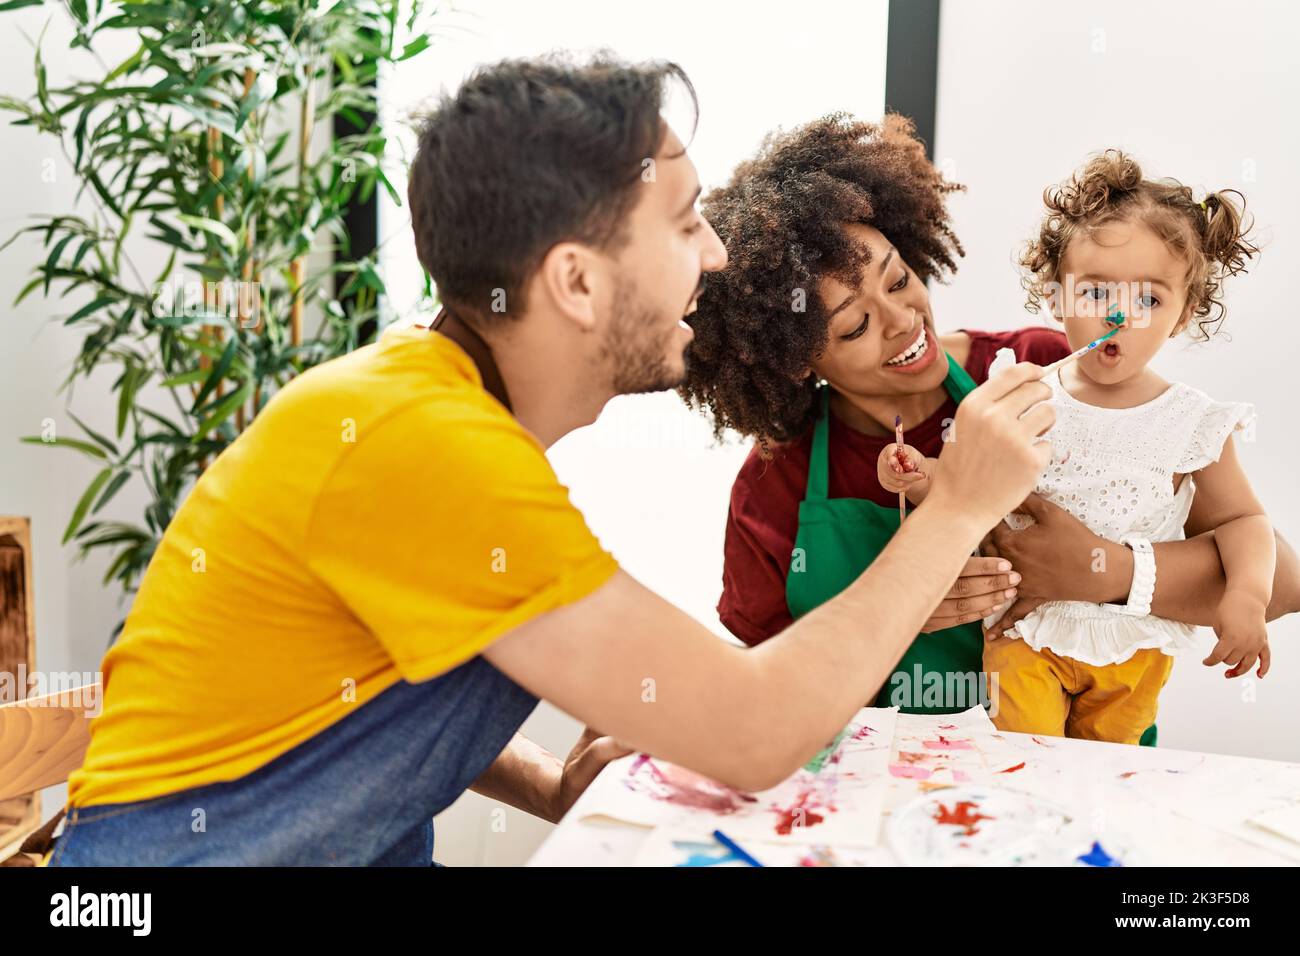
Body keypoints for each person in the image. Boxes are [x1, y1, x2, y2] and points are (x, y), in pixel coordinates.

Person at [49, 56, 1052, 866]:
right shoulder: (420, 444)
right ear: (575, 280)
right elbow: (754, 728)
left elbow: (375, 676)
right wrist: (956, 506)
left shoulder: (441, 409)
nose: (712, 256)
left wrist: (550, 787)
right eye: (685, 219)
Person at [678, 114, 1299, 731]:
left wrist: (1101, 569)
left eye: (899, 279)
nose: (900, 320)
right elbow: (764, 690)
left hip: (1090, 773)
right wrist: (892, 610)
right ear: (792, 358)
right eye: (854, 326)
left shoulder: (1042, 370)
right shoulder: (773, 485)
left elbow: (1285, 581)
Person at [884, 150, 1273, 742]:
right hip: (1022, 639)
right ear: (1057, 296)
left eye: (1148, 300)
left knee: (1106, 782)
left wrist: (1247, 595)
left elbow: (1243, 520)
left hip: (1131, 655)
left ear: (1183, 313)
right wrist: (921, 475)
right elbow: (969, 485)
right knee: (1027, 772)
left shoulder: (1191, 422)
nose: (1119, 314)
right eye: (1095, 293)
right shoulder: (1018, 393)